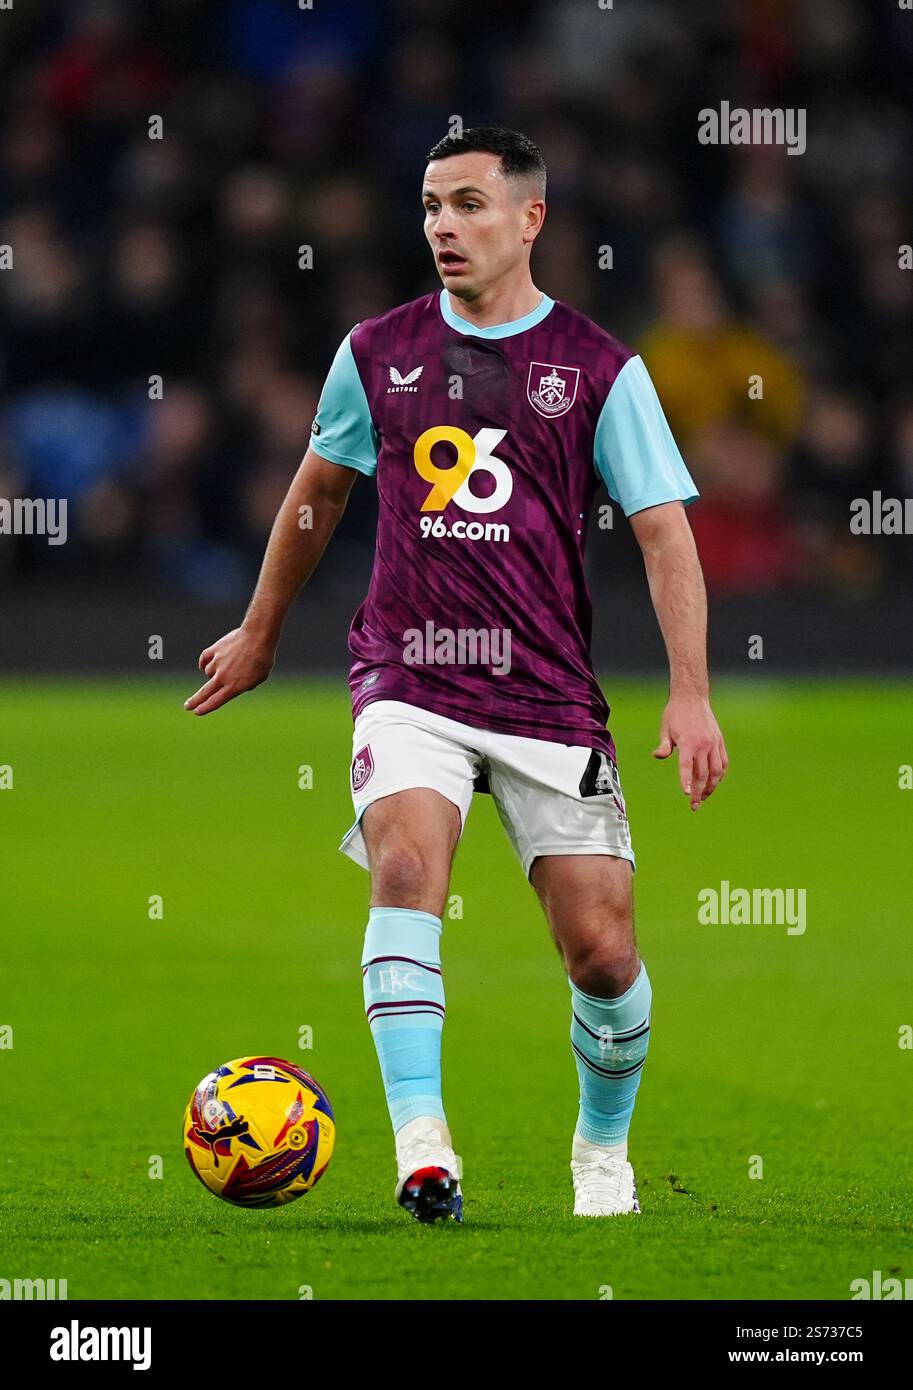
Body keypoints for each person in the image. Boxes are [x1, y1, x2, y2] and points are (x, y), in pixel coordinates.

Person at [185, 127, 728, 1222]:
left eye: (470, 204)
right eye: (432, 204)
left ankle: (601, 1152)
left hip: (546, 693)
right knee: (402, 870)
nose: (443, 224)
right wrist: (260, 629)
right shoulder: (373, 351)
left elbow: (665, 533)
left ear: (529, 220)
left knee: (603, 953)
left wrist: (691, 688)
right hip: (407, 674)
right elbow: (317, 493)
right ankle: (422, 1146)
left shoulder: (596, 368)